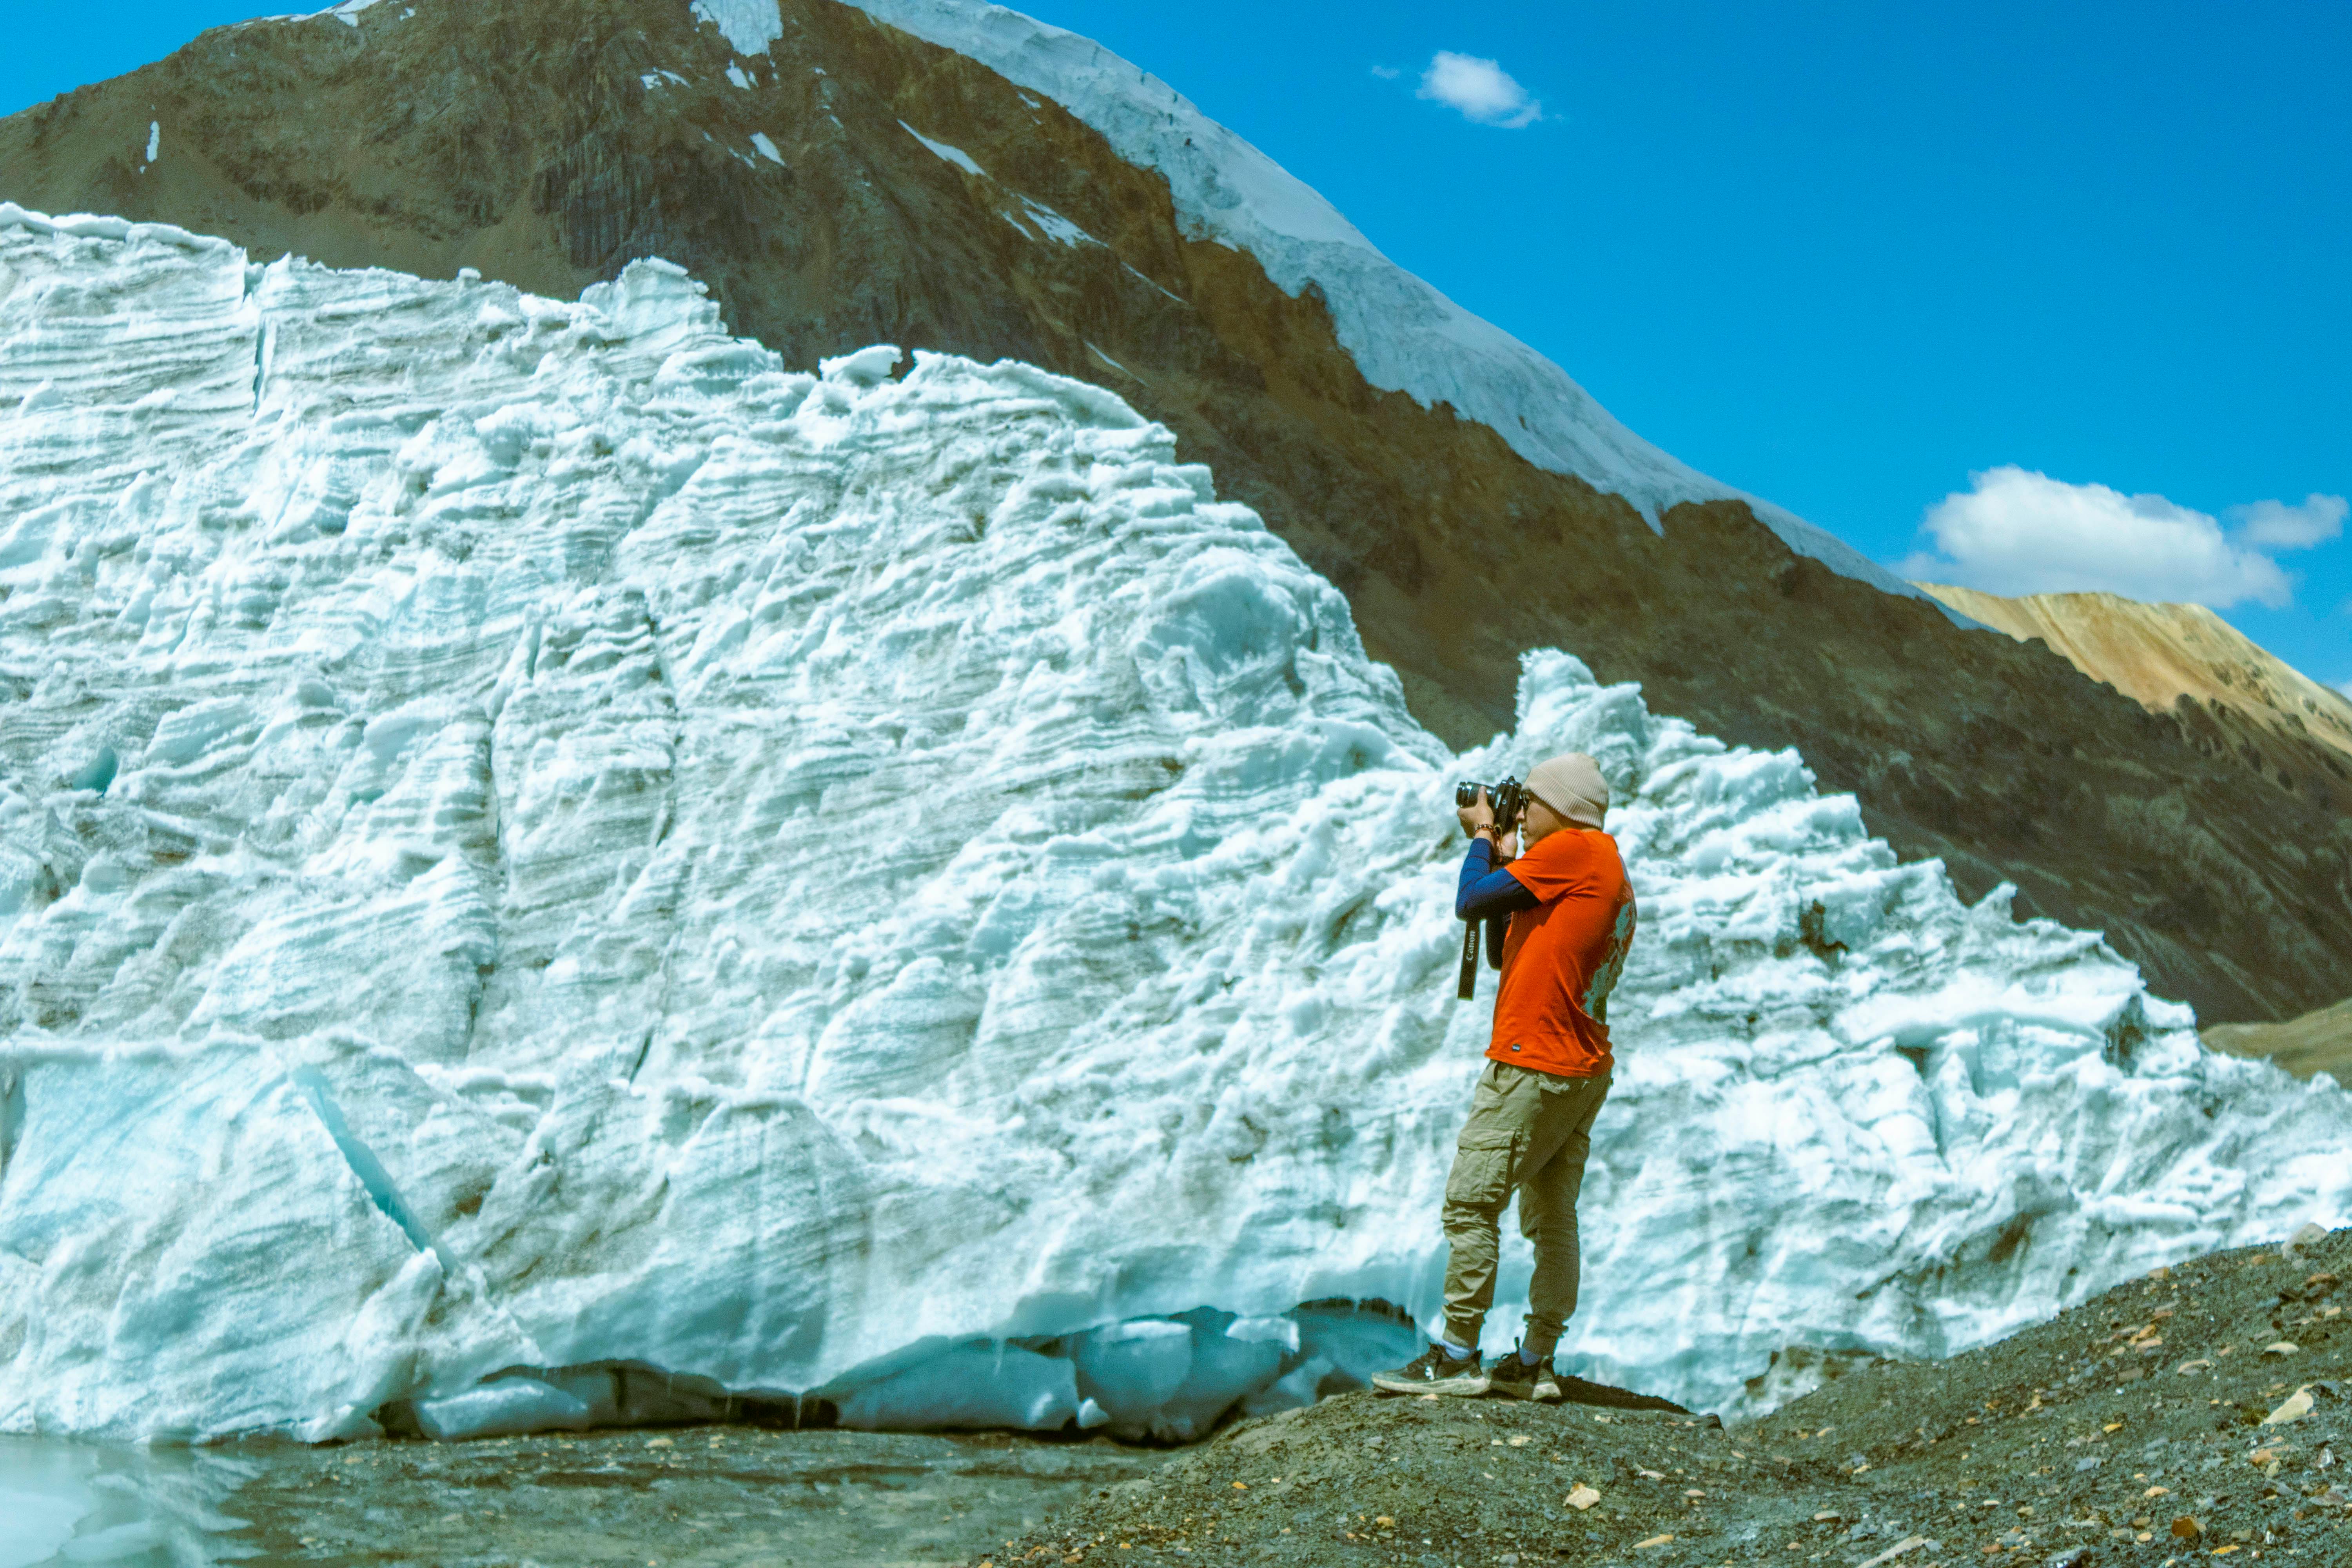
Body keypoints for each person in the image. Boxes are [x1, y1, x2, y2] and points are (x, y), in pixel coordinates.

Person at [1372, 752, 1637, 1401]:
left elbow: (1470, 901)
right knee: (1552, 1213)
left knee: (1471, 1205)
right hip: (1579, 1068)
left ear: (1561, 807)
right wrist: (1511, 850)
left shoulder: (1576, 848)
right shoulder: (1598, 865)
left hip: (1532, 1064)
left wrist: (1485, 839)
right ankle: (1534, 1361)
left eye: (1530, 802)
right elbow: (1499, 944)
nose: (1522, 810)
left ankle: (1459, 1354)